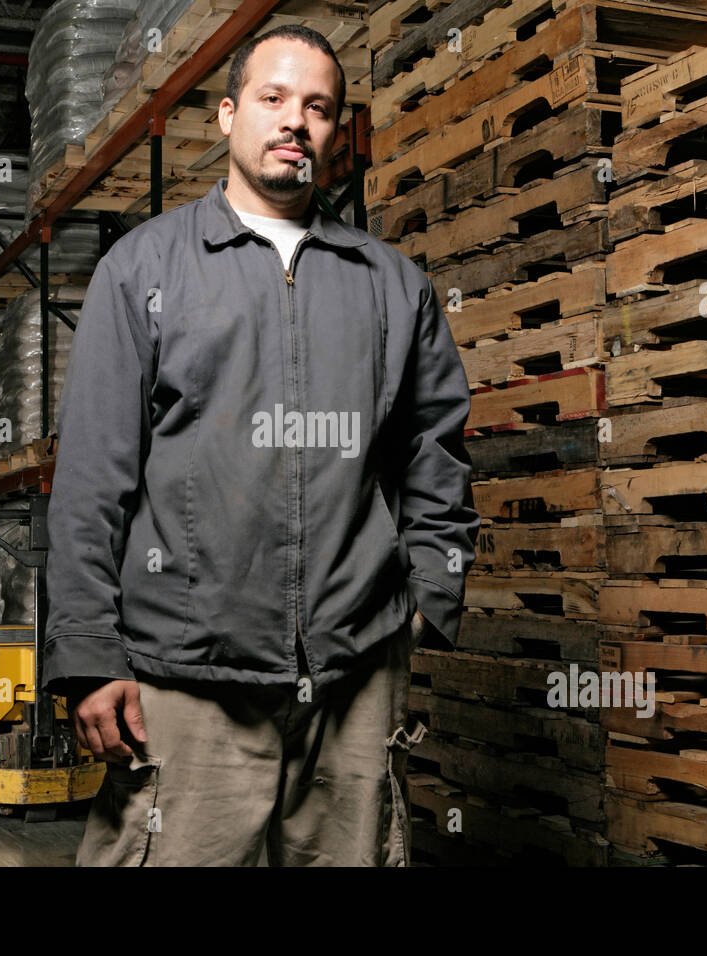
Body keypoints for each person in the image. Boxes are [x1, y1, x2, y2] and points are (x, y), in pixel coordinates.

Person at [43, 23, 479, 866]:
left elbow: (437, 452)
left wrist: (427, 597)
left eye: (318, 107)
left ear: (334, 132)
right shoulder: (144, 270)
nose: (295, 121)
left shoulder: (392, 286)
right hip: (186, 682)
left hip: (353, 679)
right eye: (275, 98)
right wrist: (89, 655)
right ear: (228, 113)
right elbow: (93, 475)